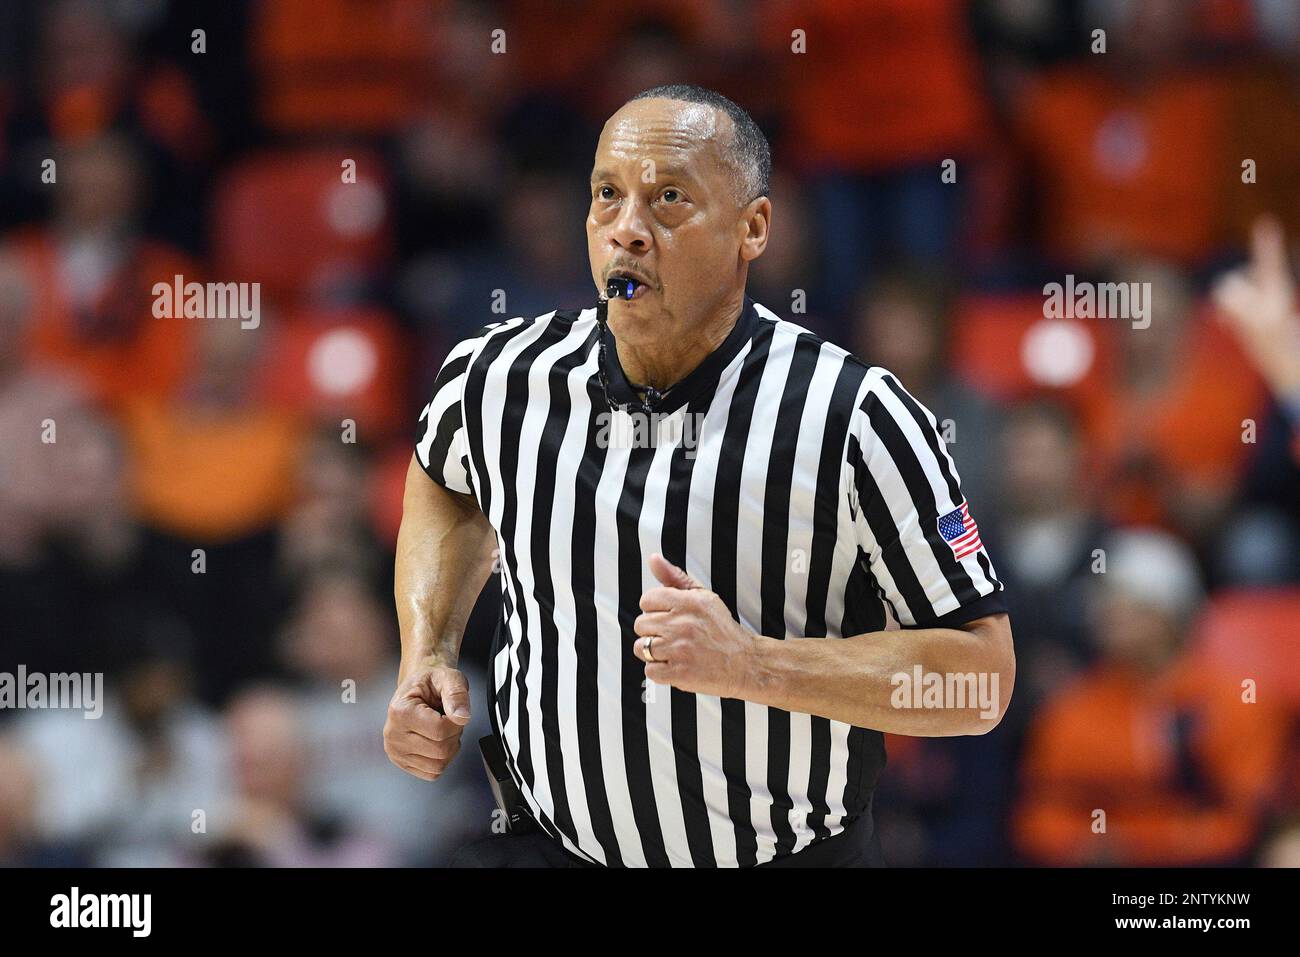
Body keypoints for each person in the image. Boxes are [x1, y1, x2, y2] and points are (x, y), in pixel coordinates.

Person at [386, 84, 1015, 868]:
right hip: (552, 848)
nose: (627, 230)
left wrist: (753, 664)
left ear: (753, 228)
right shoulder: (495, 378)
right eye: (607, 195)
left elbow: (979, 683)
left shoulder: (857, 415)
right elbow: (444, 481)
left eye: (669, 199)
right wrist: (430, 652)